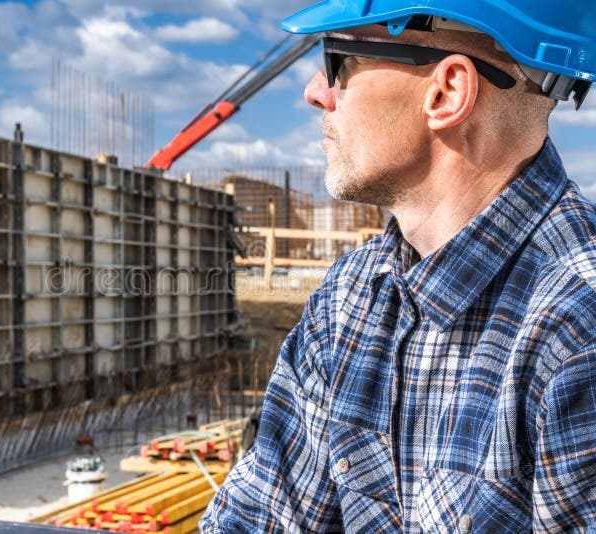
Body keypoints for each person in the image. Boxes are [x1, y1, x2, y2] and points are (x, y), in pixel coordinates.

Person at [201, 1, 596, 532]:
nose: (316, 90)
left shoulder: (578, 330)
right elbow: (261, 515)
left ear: (447, 92)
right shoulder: (350, 299)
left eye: (338, 57)